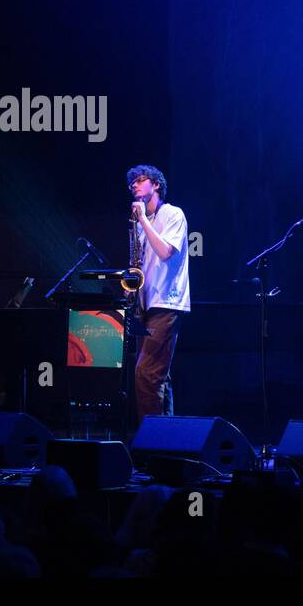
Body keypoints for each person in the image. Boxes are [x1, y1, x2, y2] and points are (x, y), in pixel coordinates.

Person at [127, 165, 191, 425]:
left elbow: (165, 252)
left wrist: (142, 220)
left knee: (145, 374)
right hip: (145, 305)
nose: (134, 185)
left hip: (167, 302)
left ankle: (150, 441)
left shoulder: (173, 214)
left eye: (140, 180)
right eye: (132, 183)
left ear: (156, 185)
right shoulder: (141, 223)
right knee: (158, 377)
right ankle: (166, 440)